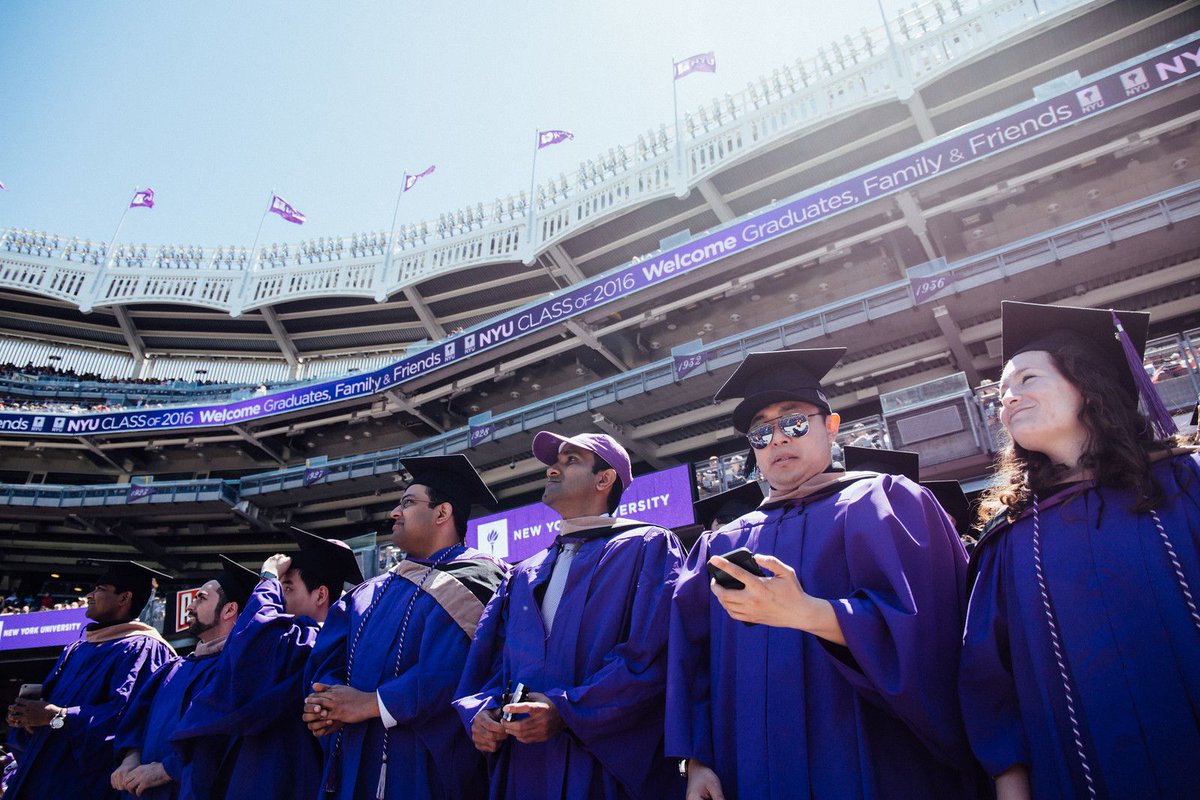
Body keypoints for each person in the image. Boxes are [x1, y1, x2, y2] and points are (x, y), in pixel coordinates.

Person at [666, 348, 983, 799]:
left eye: (793, 422)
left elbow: (938, 637)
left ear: (831, 427)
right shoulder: (721, 545)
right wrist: (696, 762)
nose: (777, 439)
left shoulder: (886, 503)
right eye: (761, 432)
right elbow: (690, 661)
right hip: (752, 770)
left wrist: (814, 614)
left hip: (873, 764)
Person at [960, 301, 1200, 799]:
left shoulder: (1186, 484)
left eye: (1027, 379)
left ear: (1086, 386)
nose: (1007, 399)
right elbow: (990, 682)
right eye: (1001, 393)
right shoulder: (1011, 540)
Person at [455, 431, 685, 800]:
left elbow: (651, 656)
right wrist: (482, 714)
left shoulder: (647, 547)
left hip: (602, 765)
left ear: (604, 479)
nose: (552, 468)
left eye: (570, 460)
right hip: (527, 767)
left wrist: (566, 710)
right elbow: (494, 663)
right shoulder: (523, 572)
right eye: (554, 461)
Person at [303, 455, 508, 800]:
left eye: (408, 503)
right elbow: (326, 662)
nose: (394, 513)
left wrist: (371, 704)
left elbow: (453, 671)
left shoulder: (481, 579)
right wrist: (327, 704)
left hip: (423, 766)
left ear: (442, 513)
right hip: (356, 758)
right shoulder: (367, 593)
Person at [171, 534, 362, 800]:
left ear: (320, 595)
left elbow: (253, 644)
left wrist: (269, 578)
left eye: (287, 588)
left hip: (287, 779)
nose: (279, 597)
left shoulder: (313, 641)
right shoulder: (319, 638)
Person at [4, 561, 176, 800]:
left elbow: (128, 720)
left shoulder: (144, 648)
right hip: (40, 771)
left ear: (124, 597)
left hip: (80, 783)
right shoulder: (77, 647)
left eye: (100, 589)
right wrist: (28, 719)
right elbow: (48, 712)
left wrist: (58, 717)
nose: (90, 595)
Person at [111, 561, 249, 799]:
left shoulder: (239, 672)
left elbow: (222, 739)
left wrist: (167, 769)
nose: (191, 605)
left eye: (201, 598)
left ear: (229, 610)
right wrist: (129, 758)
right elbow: (137, 720)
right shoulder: (173, 667)